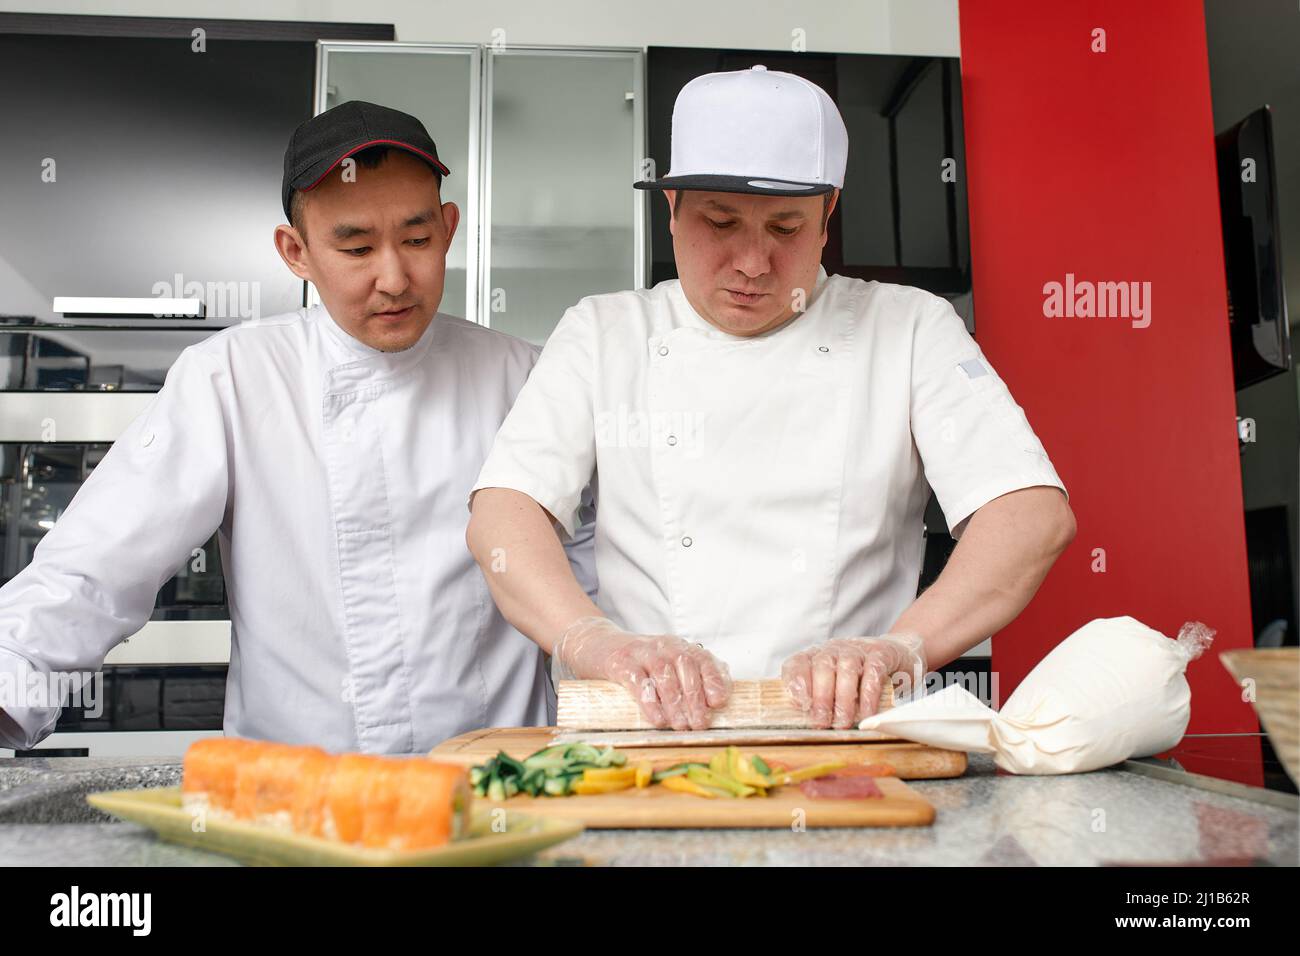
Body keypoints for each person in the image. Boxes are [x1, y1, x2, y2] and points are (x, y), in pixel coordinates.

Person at [466, 66, 1074, 732]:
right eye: (721, 223)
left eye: (785, 229)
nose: (754, 263)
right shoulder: (605, 331)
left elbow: (1030, 516)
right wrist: (590, 640)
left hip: (852, 738)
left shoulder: (909, 327)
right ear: (671, 211)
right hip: (649, 739)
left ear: (828, 214)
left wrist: (901, 647)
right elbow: (505, 512)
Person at [0, 101, 595, 753]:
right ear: (296, 252)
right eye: (356, 247)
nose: (394, 278)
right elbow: (94, 568)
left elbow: (596, 582)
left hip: (493, 795)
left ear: (449, 230)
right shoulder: (230, 377)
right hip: (291, 804)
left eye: (417, 240)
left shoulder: (523, 378)